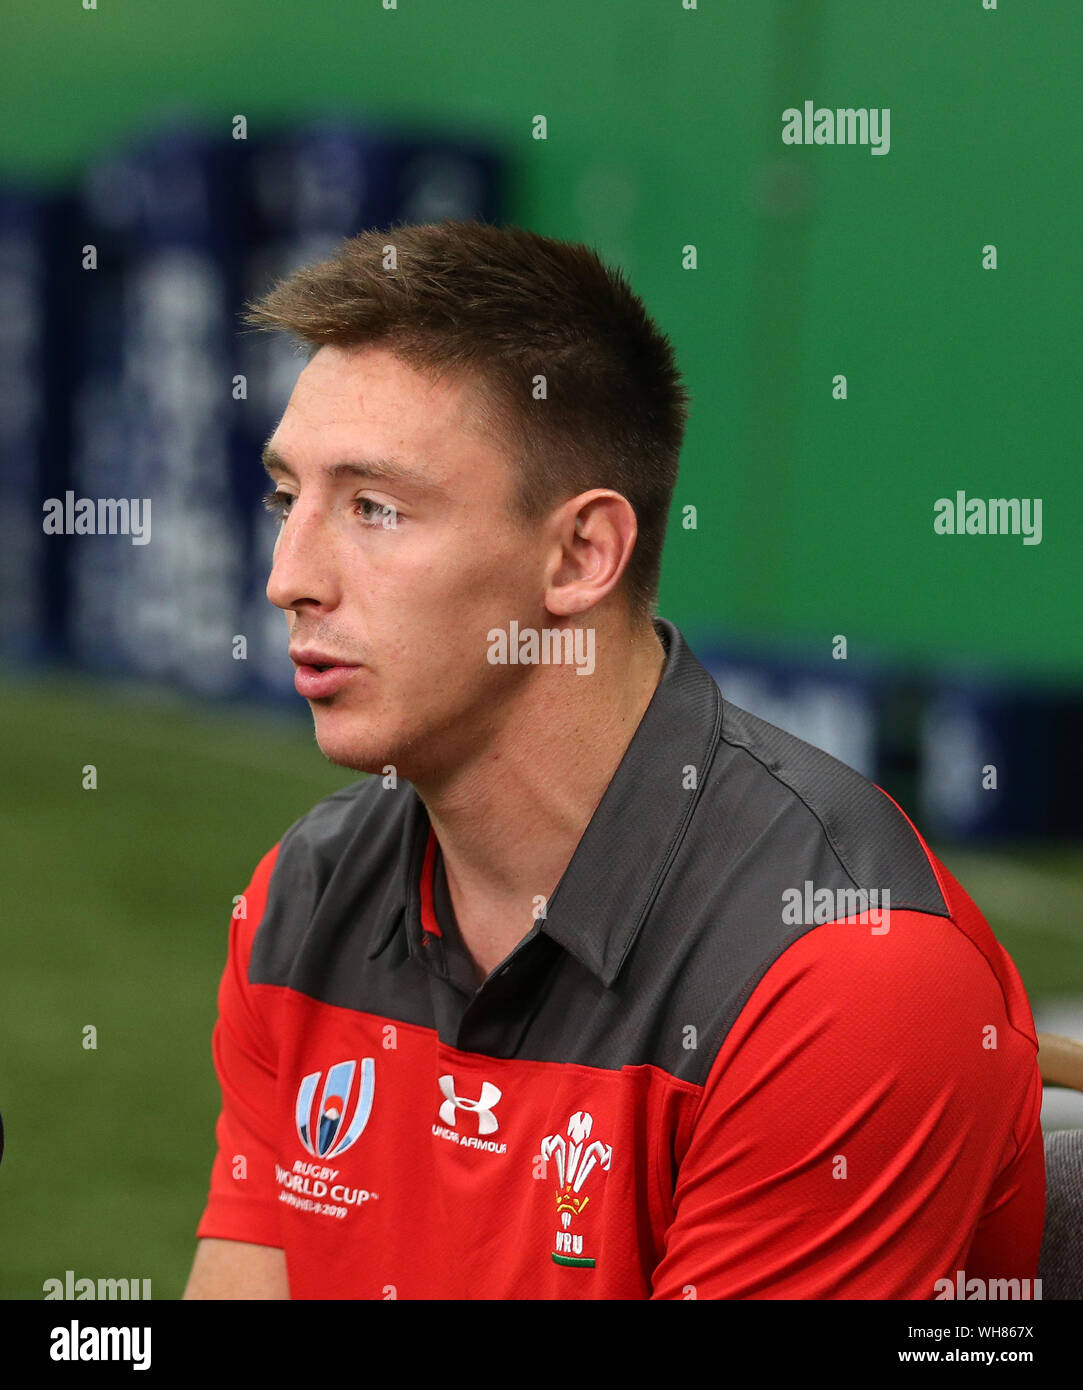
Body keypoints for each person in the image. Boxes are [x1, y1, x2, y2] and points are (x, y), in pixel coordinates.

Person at [183, 220, 1044, 1300]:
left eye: (374, 508)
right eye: (284, 498)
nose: (288, 575)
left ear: (582, 554)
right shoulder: (299, 897)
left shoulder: (846, 971)